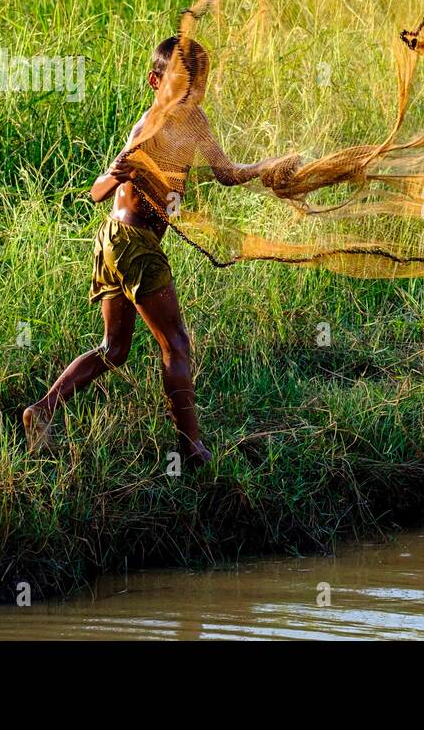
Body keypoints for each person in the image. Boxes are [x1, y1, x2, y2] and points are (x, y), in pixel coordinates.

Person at [23, 36, 284, 466]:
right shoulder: (152, 124)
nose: (189, 93)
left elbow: (226, 173)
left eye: (197, 85)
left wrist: (267, 169)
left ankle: (42, 410)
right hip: (132, 243)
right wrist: (115, 173)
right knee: (176, 342)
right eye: (181, 84)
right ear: (155, 81)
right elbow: (97, 191)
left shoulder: (195, 121)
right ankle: (192, 447)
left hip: (114, 242)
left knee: (114, 349)